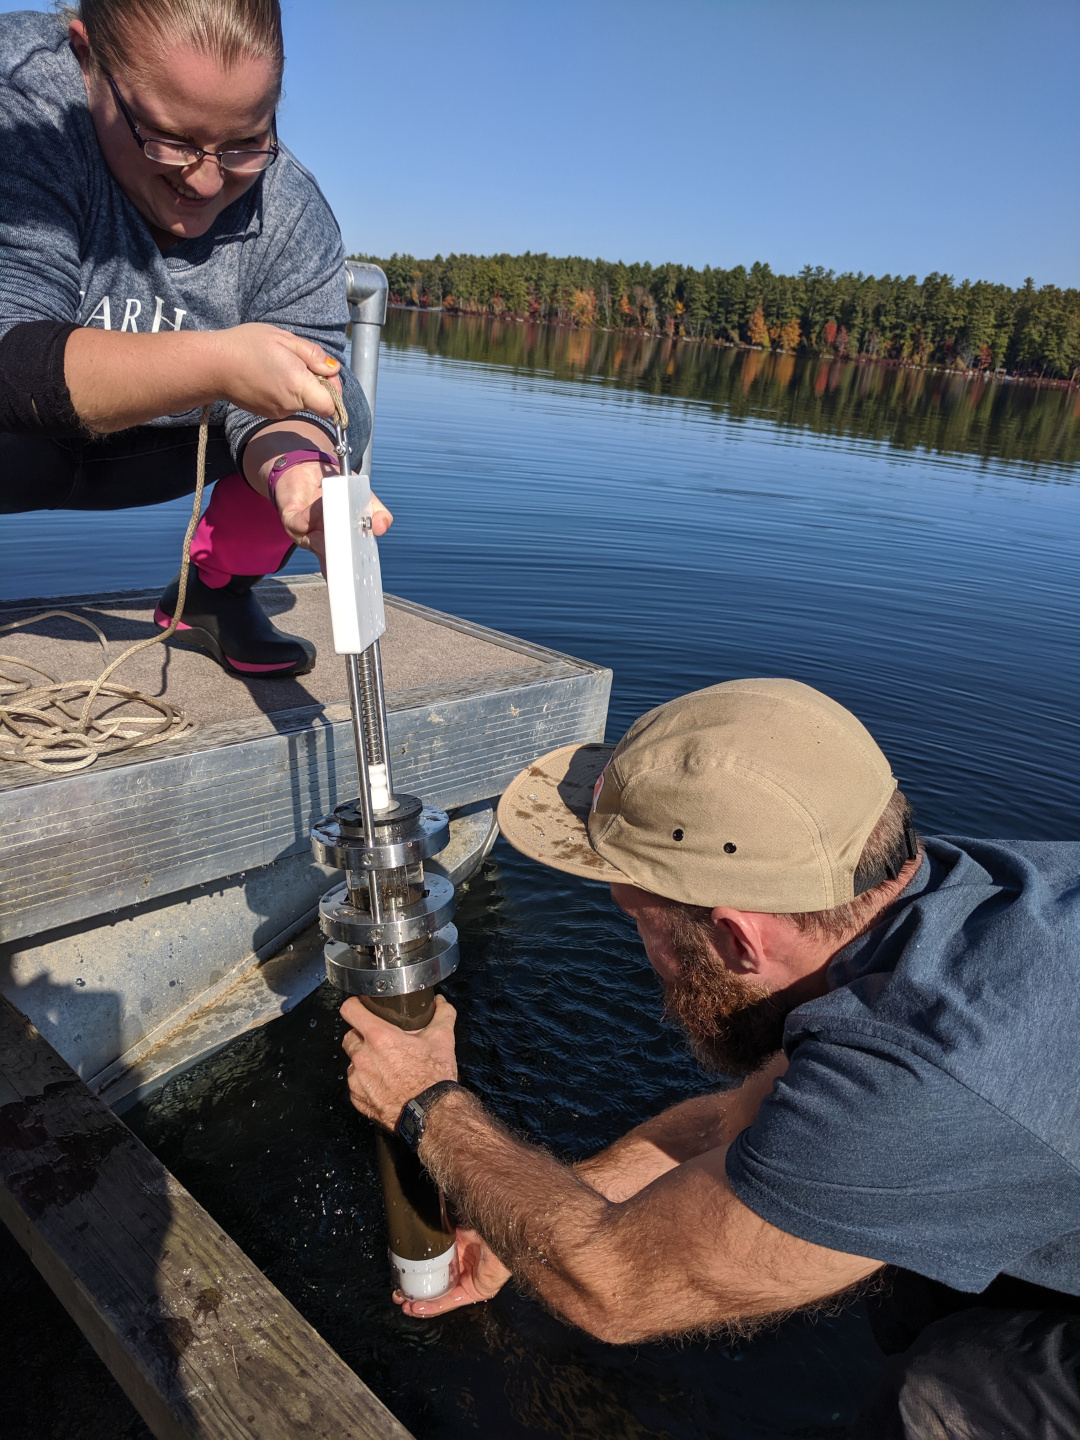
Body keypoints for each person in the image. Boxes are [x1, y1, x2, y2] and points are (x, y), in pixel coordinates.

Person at [340, 677, 1080, 1437]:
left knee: (946, 1399)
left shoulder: (924, 1080)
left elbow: (617, 1288)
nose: (643, 955)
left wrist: (426, 1103)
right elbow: (740, 1121)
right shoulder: (952, 900)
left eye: (636, 918)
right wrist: (521, 1225)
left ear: (736, 938)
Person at [0, 0, 391, 676]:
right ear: (86, 57)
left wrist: (296, 473)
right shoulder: (21, 110)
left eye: (244, 142)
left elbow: (299, 401)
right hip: (15, 433)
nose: (206, 179)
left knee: (335, 406)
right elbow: (9, 360)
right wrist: (219, 362)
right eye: (169, 137)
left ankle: (212, 591)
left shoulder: (291, 211)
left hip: (146, 449)